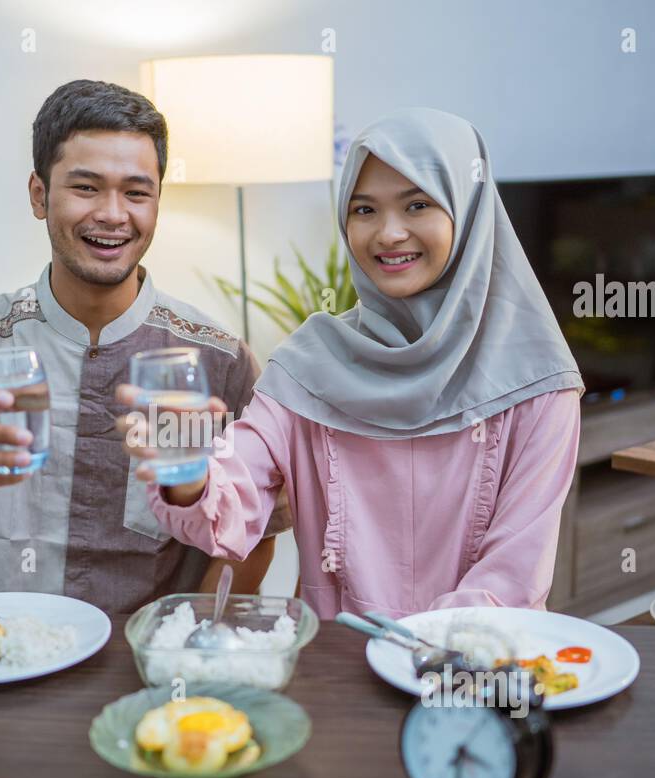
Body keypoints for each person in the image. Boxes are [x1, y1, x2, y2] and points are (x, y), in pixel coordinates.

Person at [116, 108, 584, 620]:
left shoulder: (538, 383)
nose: (388, 233)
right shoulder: (307, 365)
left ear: (470, 213)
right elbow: (228, 513)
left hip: (470, 667)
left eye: (418, 204)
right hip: (335, 667)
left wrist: (419, 658)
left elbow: (512, 579)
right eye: (364, 210)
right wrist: (185, 470)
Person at [0, 79, 288, 614]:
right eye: (85, 187)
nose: (112, 213)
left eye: (136, 191)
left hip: (149, 666)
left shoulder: (218, 361)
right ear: (39, 194)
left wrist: (187, 640)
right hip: (1, 652)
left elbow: (260, 528)